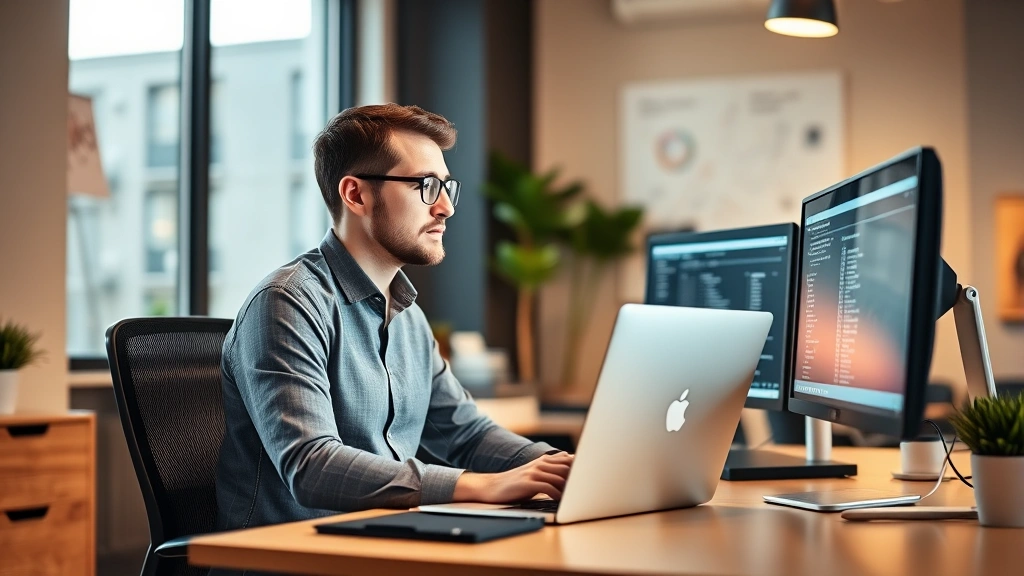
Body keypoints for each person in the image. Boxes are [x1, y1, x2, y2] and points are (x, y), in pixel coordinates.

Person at [214, 103, 573, 533]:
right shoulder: (287, 303)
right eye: (426, 186)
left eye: (446, 187)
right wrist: (479, 486)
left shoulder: (408, 318)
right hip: (291, 554)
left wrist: (560, 468)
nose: (445, 207)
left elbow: (465, 435)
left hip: (382, 540)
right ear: (356, 195)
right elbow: (311, 466)